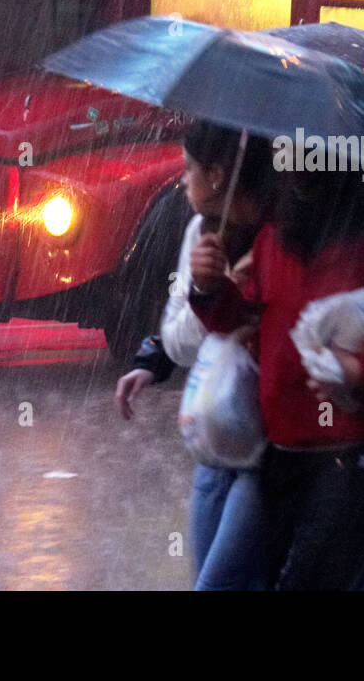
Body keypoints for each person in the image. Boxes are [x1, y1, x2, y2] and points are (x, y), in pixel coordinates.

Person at [189, 168, 364, 590]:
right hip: (281, 456)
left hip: (363, 460)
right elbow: (252, 324)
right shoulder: (278, 232)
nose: (291, 167)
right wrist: (208, 288)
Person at [115, 122, 273, 591]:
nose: (182, 180)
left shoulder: (284, 238)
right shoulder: (199, 233)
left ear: (219, 175)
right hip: (218, 436)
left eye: (189, 170)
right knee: (210, 573)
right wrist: (154, 359)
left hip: (273, 447)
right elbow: (180, 335)